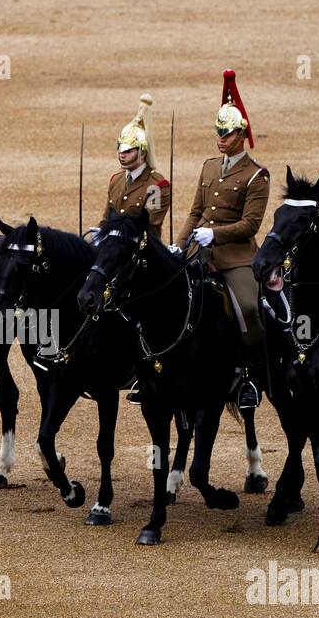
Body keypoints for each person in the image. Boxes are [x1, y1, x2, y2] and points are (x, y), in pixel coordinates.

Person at [175, 69, 269, 409]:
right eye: (218, 132)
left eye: (227, 133)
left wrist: (214, 233)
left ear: (241, 135)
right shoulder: (209, 167)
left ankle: (250, 374)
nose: (221, 138)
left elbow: (250, 225)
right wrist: (180, 243)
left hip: (236, 258)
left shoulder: (257, 175)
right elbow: (194, 211)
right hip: (199, 251)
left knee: (247, 307)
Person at [100, 93, 171, 240]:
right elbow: (106, 219)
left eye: (128, 151)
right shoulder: (116, 179)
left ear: (143, 153)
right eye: (120, 150)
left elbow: (151, 226)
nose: (122, 155)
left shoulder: (157, 185)